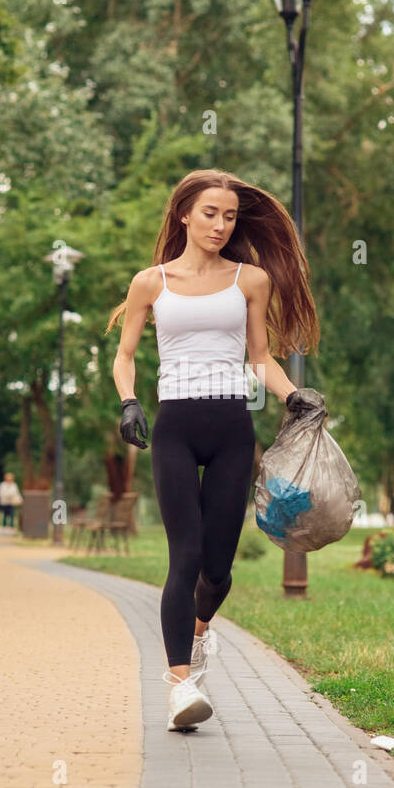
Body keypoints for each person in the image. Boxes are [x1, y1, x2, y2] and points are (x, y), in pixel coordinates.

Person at [107, 168, 323, 734]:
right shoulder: (150, 283)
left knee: (218, 569)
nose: (220, 225)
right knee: (185, 556)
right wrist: (129, 402)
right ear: (184, 213)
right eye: (210, 214)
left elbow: (260, 357)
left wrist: (294, 395)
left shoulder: (249, 280)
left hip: (231, 426)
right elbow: (125, 354)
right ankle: (180, 685)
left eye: (229, 216)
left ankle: (200, 632)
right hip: (176, 425)